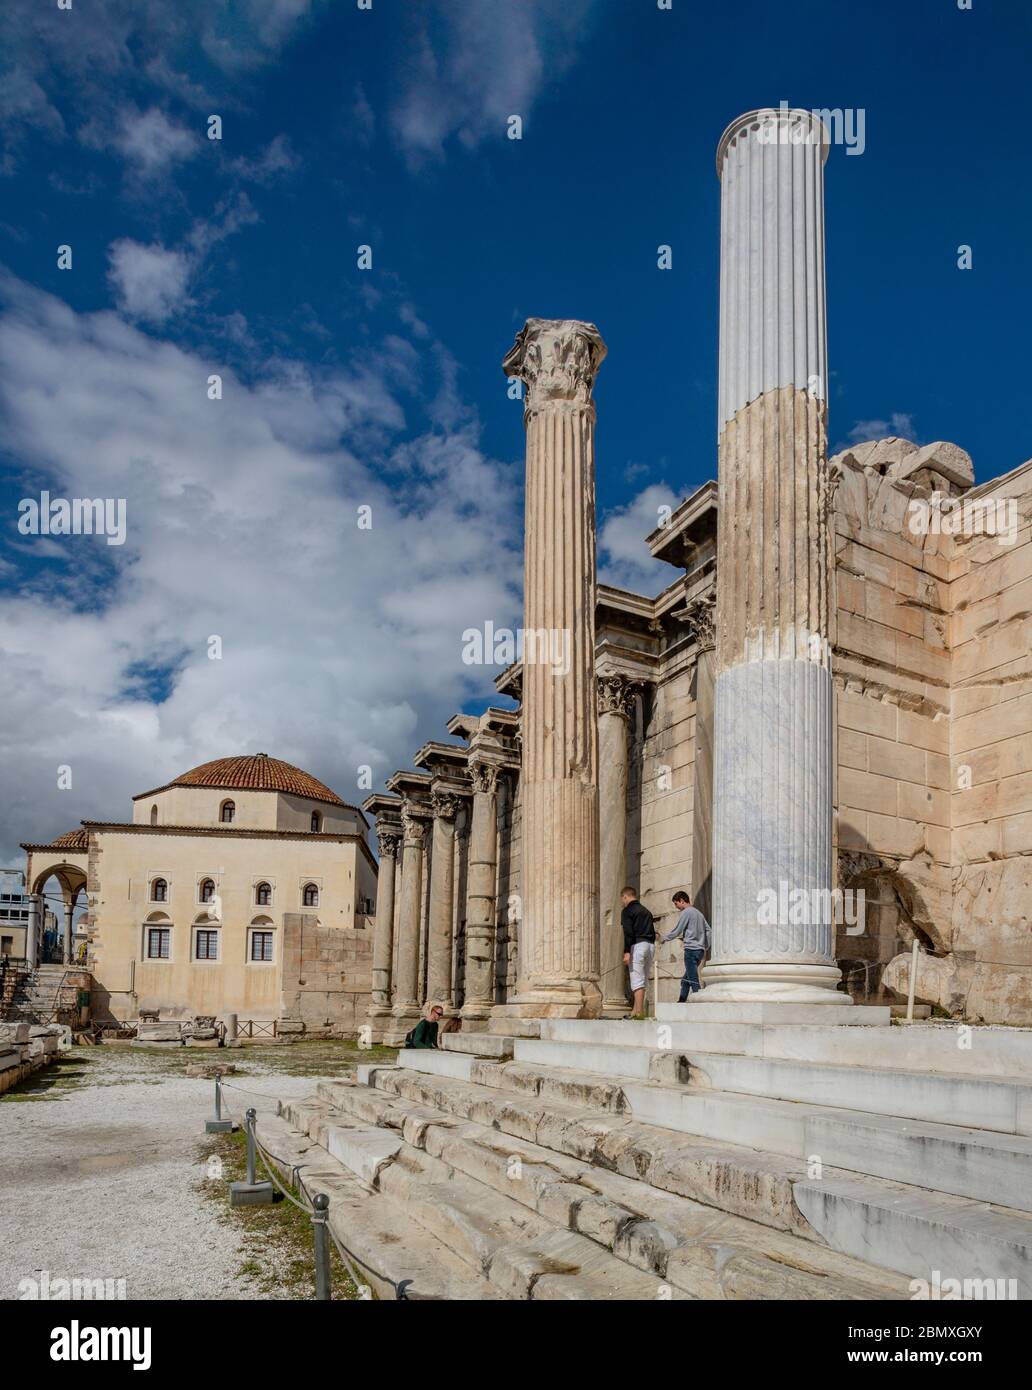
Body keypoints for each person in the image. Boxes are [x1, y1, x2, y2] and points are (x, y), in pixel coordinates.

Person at [661, 891, 711, 1002]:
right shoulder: (699, 913)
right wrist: (705, 946)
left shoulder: (686, 912)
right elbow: (709, 931)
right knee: (686, 979)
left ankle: (698, 1001)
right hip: (700, 951)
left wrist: (664, 938)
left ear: (682, 901)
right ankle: (682, 1000)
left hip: (691, 950)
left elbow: (678, 930)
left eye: (676, 903)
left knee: (693, 979)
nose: (676, 907)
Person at [620, 886, 655, 1019]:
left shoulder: (627, 910)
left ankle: (639, 1013)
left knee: (636, 979)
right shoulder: (646, 911)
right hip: (650, 945)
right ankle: (635, 1011)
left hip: (638, 945)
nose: (622, 902)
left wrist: (627, 951)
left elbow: (628, 932)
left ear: (625, 897)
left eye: (622, 899)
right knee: (643, 979)